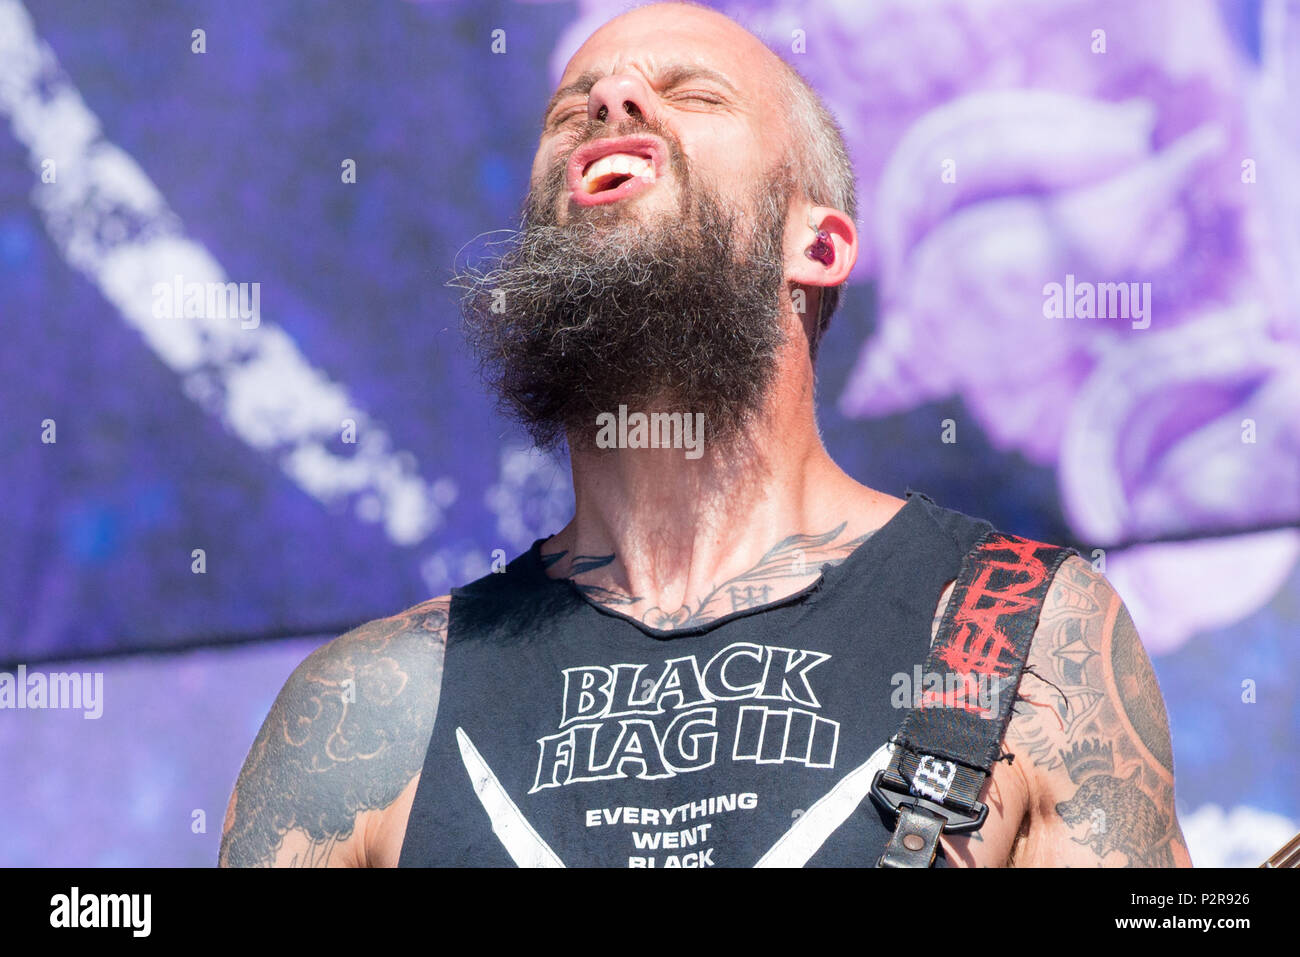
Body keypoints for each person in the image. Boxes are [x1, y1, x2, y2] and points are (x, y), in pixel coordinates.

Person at [219, 1, 1191, 868]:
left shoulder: (1024, 632)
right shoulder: (371, 704)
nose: (612, 100)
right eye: (571, 110)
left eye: (692, 94)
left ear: (817, 245)